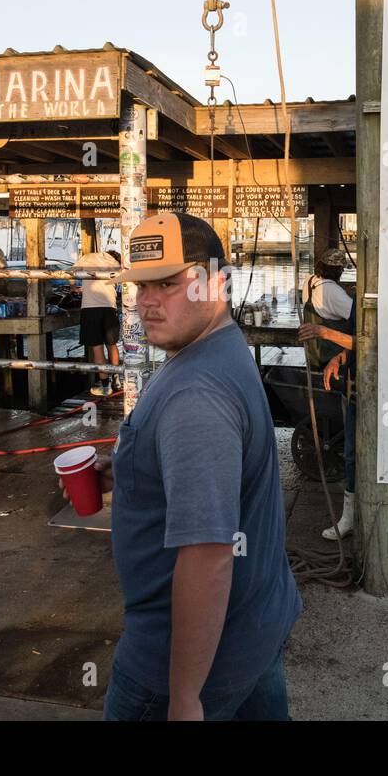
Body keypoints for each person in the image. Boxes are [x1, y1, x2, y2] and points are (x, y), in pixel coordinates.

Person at [69, 212, 301, 721]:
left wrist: (183, 696)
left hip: (178, 658)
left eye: (170, 283)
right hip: (255, 622)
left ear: (217, 281)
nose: (148, 302)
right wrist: (131, 471)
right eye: (142, 285)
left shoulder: (196, 394)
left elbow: (208, 555)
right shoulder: (217, 346)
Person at [299, 304, 358, 540]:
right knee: (351, 454)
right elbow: (355, 343)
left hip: (378, 392)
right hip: (354, 388)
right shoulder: (355, 297)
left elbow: (372, 341)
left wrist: (324, 332)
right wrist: (338, 357)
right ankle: (350, 517)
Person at [74, 247, 122, 396]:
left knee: (97, 348)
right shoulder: (114, 262)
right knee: (112, 345)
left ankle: (105, 386)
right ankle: (116, 378)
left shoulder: (88, 257)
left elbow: (71, 273)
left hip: (90, 308)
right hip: (109, 307)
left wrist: (72, 287)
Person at [300, 247, 354, 375]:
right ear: (339, 271)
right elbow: (357, 316)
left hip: (314, 356)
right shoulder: (334, 292)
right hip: (334, 359)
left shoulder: (309, 281)